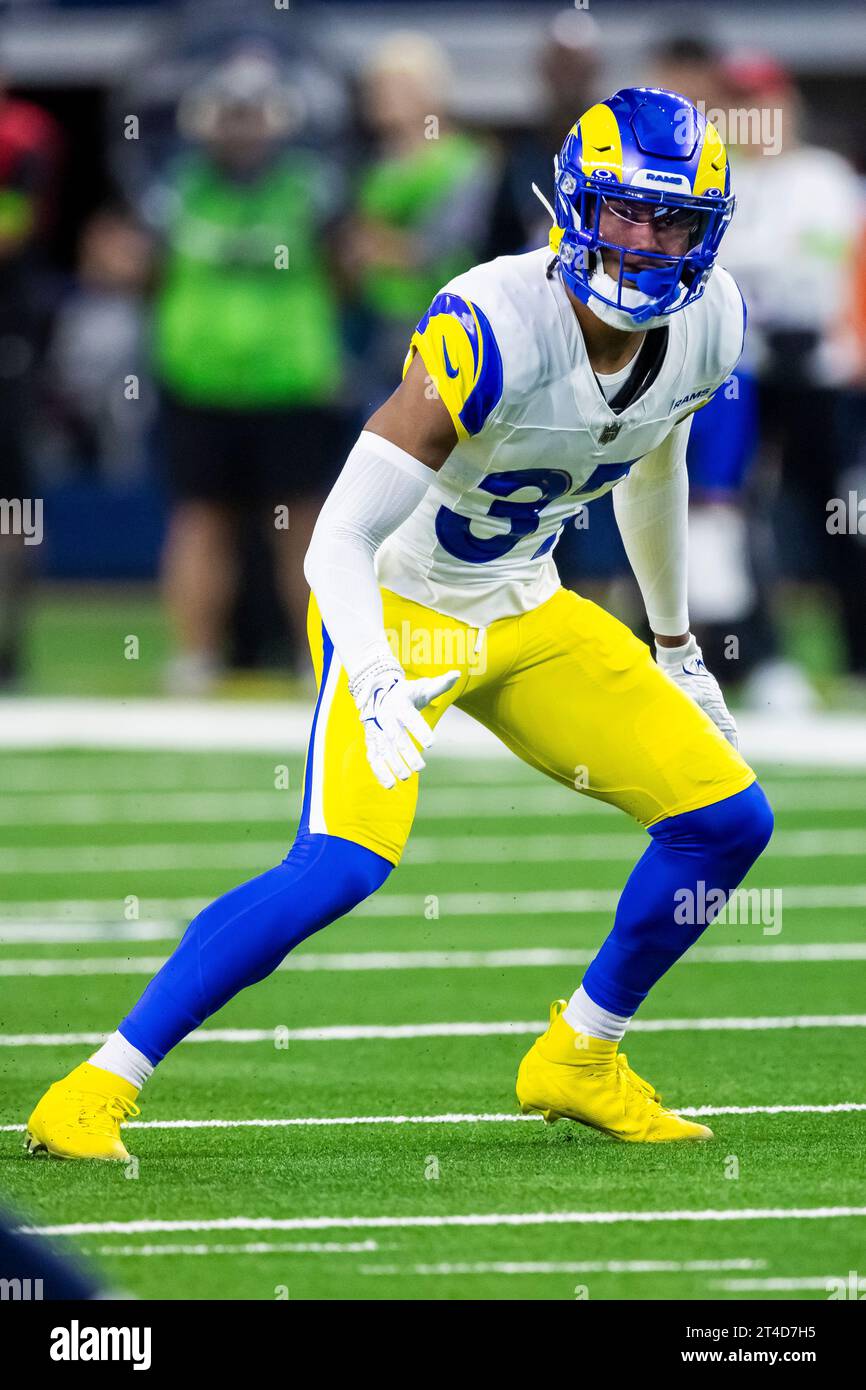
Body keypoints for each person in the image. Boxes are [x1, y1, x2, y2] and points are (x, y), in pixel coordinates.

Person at [26, 89, 773, 1156]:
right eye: (624, 213)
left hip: (524, 602)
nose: (648, 243)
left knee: (725, 823)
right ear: (573, 207)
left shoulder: (709, 320)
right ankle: (96, 1085)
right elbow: (335, 535)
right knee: (339, 864)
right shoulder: (491, 325)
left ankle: (580, 1052)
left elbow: (654, 457)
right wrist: (371, 666)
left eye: (674, 223)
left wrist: (672, 641)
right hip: (401, 606)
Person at [153, 48, 347, 690]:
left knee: (303, 527)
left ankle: (313, 655)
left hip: (289, 377)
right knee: (200, 520)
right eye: (230, 114)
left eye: (252, 114)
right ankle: (194, 658)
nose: (241, 128)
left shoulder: (311, 188)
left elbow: (350, 265)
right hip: (198, 377)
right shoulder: (176, 191)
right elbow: (129, 265)